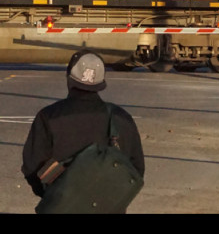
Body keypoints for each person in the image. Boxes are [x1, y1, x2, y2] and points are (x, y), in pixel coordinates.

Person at [22, 50, 145, 212]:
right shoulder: (121, 118)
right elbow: (136, 169)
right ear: (101, 82)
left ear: (69, 78)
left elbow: (33, 166)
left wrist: (56, 194)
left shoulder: (48, 116)